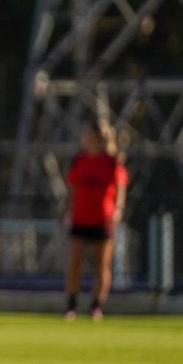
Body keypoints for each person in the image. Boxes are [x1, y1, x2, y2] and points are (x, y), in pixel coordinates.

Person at [59, 119, 127, 322]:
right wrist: (64, 212)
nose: (83, 137)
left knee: (101, 265)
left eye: (86, 133)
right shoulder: (78, 160)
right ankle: (71, 304)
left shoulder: (111, 161)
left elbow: (120, 188)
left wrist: (118, 209)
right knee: (74, 264)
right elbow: (71, 191)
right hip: (80, 218)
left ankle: (96, 305)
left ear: (96, 137)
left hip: (102, 220)